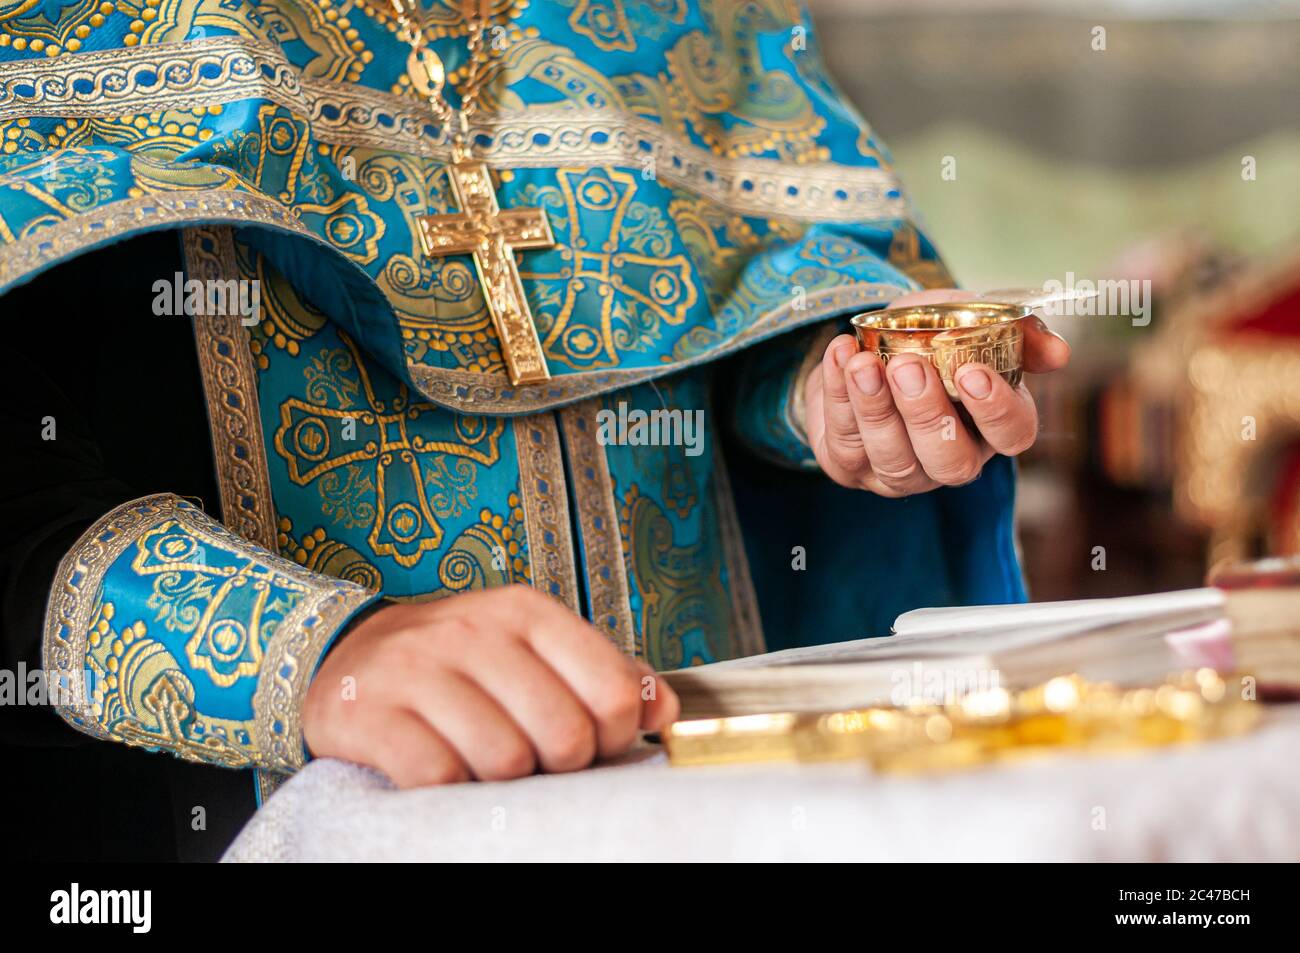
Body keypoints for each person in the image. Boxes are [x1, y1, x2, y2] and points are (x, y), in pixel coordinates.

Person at [0, 0, 1067, 860]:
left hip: (717, 818)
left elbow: (722, 334)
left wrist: (825, 397)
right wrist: (309, 654)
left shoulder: (702, 21)